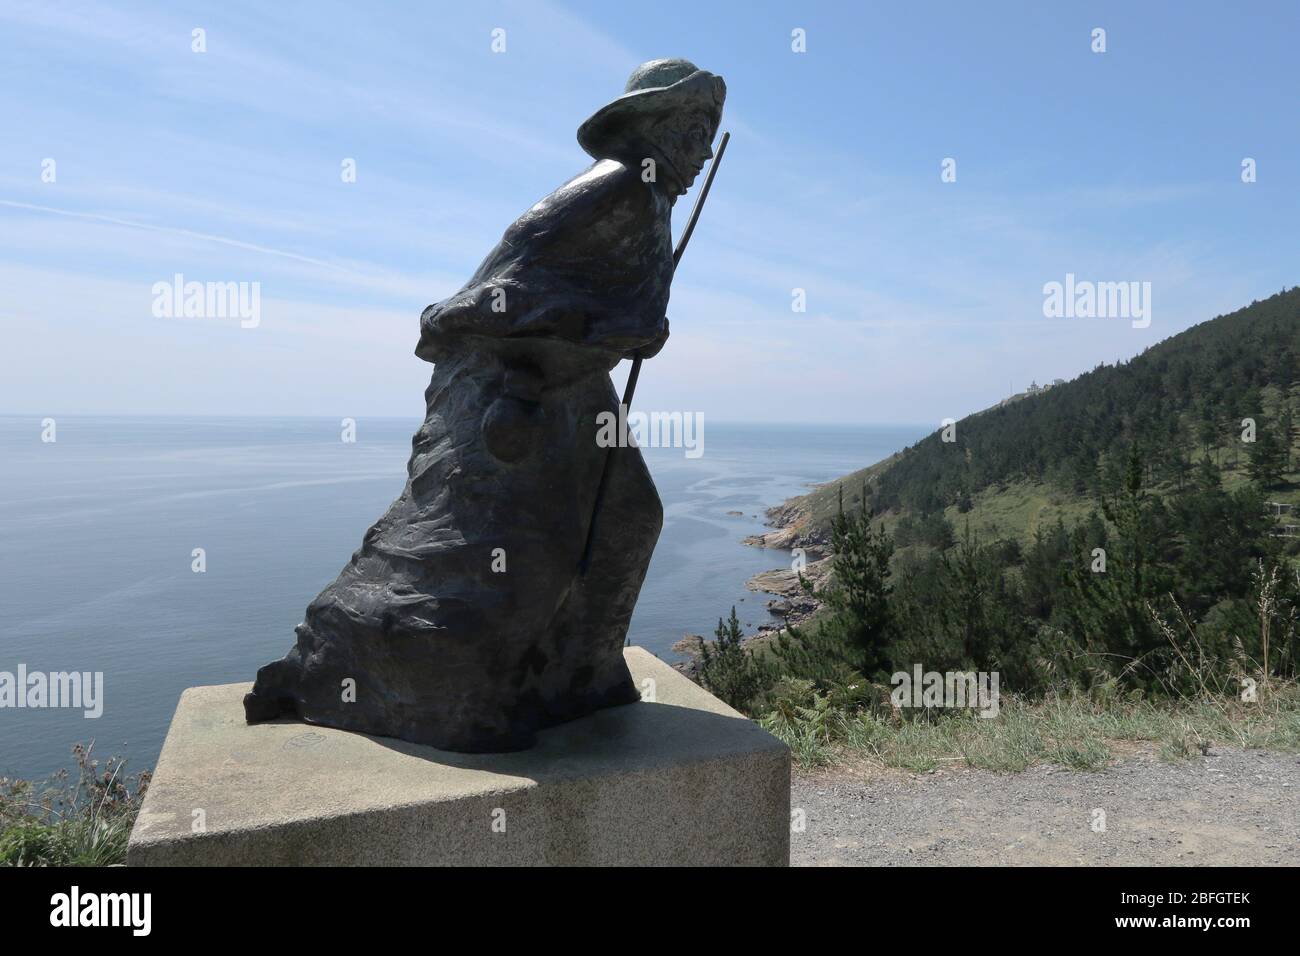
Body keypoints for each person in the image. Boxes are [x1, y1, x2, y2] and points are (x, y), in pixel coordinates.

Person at [244, 59, 726, 752]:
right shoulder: (617, 187)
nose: (705, 150)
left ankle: (580, 672)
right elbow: (502, 288)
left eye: (710, 133)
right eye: (694, 129)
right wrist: (608, 325)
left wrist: (622, 328)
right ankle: (452, 691)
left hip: (569, 378)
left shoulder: (647, 198)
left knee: (625, 517)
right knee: (522, 541)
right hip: (515, 380)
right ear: (656, 126)